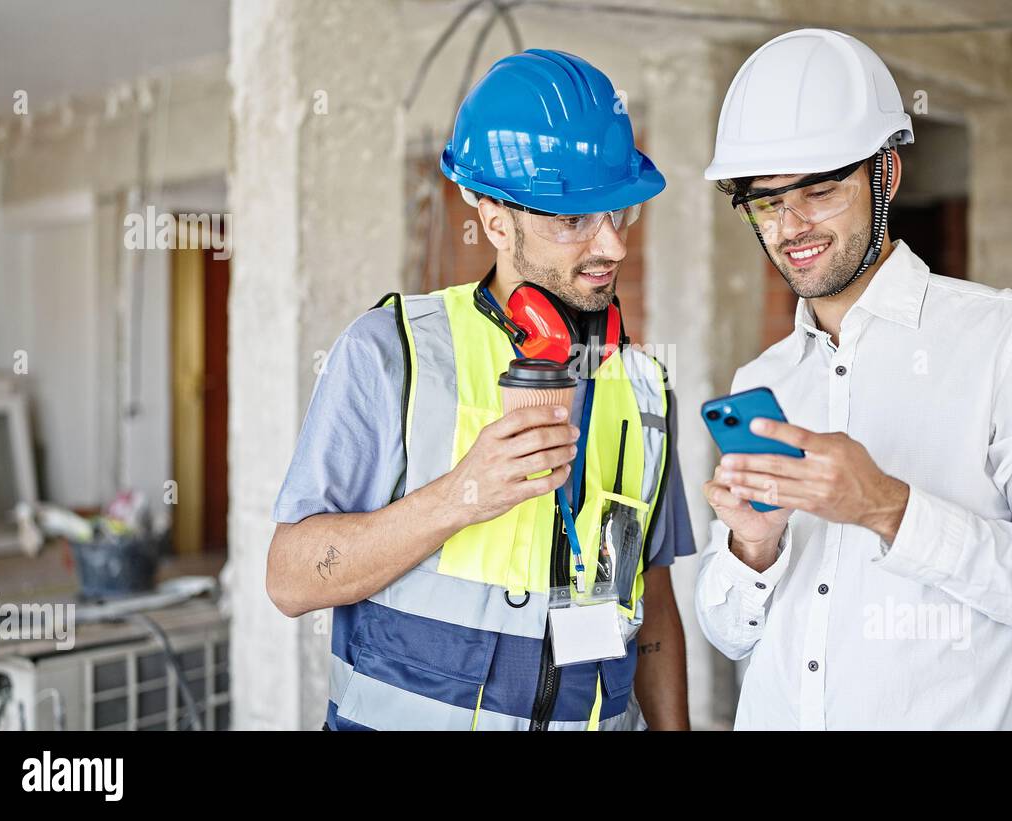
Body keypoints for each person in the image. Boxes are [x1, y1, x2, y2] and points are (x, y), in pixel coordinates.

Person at [694, 28, 1012, 730]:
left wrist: (891, 509)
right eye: (765, 201)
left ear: (886, 175)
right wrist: (752, 547)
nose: (791, 224)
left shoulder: (1011, 341)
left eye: (820, 188)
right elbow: (730, 631)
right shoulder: (764, 377)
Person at [267, 49, 694, 731]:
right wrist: (461, 494)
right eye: (573, 219)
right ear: (497, 221)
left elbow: (655, 598)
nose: (611, 245)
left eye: (619, 211)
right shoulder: (392, 352)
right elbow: (290, 579)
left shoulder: (646, 385)